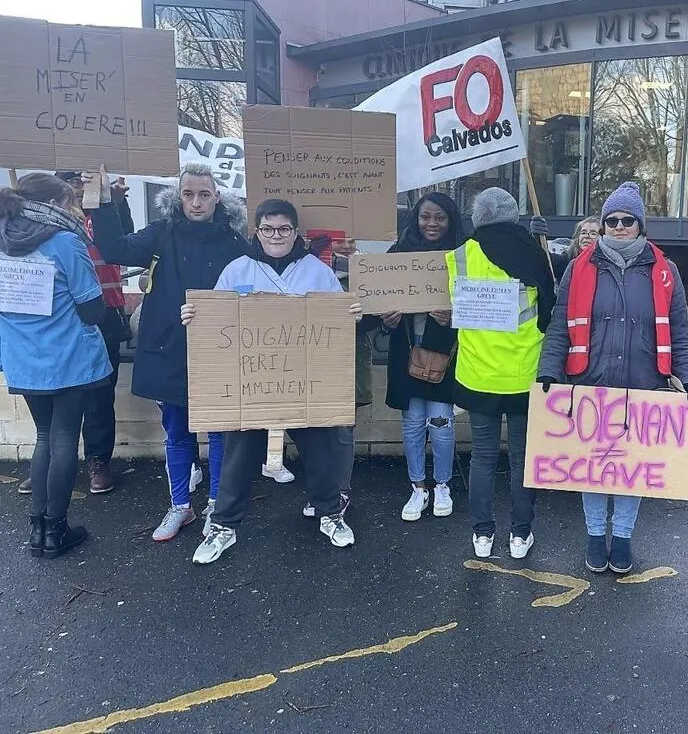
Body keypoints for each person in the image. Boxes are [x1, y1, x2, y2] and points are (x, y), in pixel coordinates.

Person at [183, 199, 363, 564]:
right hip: (253, 385)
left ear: (295, 232)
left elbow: (334, 326)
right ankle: (223, 527)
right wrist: (195, 316)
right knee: (238, 455)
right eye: (268, 229)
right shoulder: (237, 270)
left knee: (319, 453)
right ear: (257, 231)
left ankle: (329, 514)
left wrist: (351, 315)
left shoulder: (317, 271)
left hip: (304, 384)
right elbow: (217, 321)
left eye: (283, 229)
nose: (275, 236)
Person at [537, 182, 688, 573]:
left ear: (640, 225)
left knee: (631, 468)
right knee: (593, 467)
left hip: (644, 382)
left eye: (628, 220)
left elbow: (679, 328)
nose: (619, 226)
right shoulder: (580, 267)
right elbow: (560, 324)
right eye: (612, 220)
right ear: (604, 224)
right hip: (590, 381)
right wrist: (549, 369)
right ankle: (596, 536)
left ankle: (622, 537)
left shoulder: (665, 271)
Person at [92, 163, 249, 542]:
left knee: (217, 433)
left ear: (217, 197)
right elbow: (114, 248)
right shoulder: (161, 233)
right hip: (169, 348)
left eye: (204, 194)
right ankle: (180, 506)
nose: (196, 202)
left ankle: (216, 506)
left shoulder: (234, 241)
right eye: (188, 194)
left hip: (219, 351)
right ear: (179, 197)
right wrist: (103, 202)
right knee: (176, 432)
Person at [0, 174, 112, 557]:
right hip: (68, 359)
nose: (73, 210)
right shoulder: (65, 242)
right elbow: (92, 308)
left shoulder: (2, 242)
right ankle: (56, 529)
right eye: (68, 204)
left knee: (44, 437)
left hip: (23, 360)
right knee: (64, 439)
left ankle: (38, 530)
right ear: (51, 206)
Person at [446, 187, 556, 559]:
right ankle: (521, 534)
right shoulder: (533, 253)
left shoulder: (459, 256)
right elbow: (549, 310)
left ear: (477, 217)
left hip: (478, 375)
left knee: (483, 456)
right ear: (513, 215)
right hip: (525, 373)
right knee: (523, 458)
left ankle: (482, 533)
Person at [380, 193, 465, 521]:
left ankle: (442, 484)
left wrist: (454, 317)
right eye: (426, 217)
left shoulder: (464, 256)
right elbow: (376, 303)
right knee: (413, 425)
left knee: (442, 425)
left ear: (451, 220)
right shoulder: (397, 254)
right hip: (405, 353)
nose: (432, 224)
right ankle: (418, 487)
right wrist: (387, 321)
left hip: (444, 353)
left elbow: (479, 307)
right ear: (415, 218)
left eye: (440, 217)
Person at [59, 170, 134, 495]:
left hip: (104, 315)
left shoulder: (105, 215)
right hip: (60, 320)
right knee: (58, 393)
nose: (78, 188)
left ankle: (98, 461)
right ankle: (51, 459)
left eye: (84, 181)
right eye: (72, 182)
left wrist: (115, 203)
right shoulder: (47, 224)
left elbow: (125, 240)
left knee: (100, 395)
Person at [530, 215, 600, 282]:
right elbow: (544, 261)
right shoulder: (567, 260)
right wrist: (538, 238)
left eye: (593, 233)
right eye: (583, 233)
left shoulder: (606, 265)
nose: (586, 236)